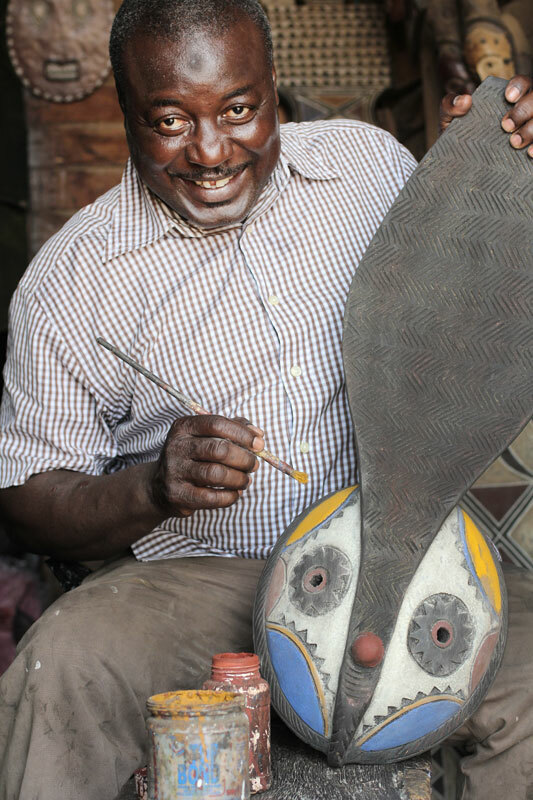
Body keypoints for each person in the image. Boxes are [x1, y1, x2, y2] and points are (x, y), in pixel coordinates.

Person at [0, 1, 532, 797]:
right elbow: (24, 497)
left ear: (274, 90)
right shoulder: (73, 280)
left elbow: (464, 285)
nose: (211, 151)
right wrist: (150, 488)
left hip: (404, 546)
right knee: (62, 665)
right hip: (208, 580)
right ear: (125, 114)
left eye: (239, 109)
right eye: (170, 120)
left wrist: (497, 164)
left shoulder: (365, 166)